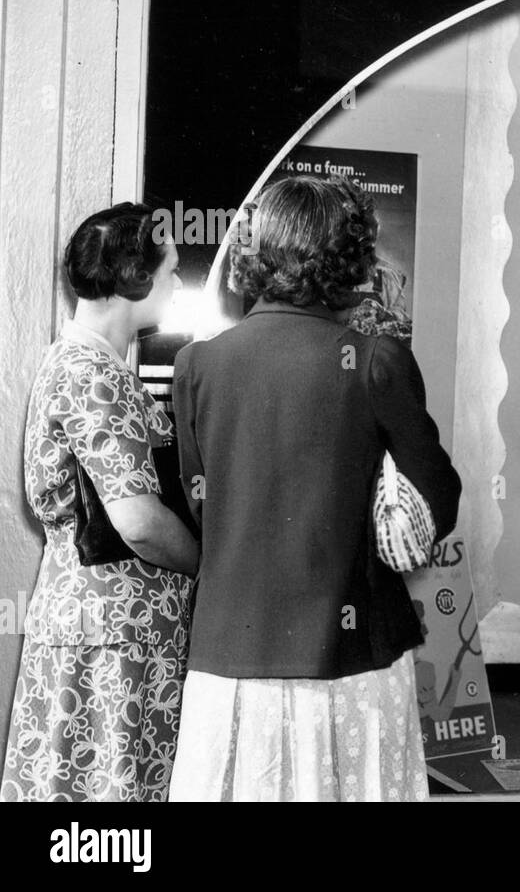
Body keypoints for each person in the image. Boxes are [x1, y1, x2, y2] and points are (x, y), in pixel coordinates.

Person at [168, 174, 462, 802]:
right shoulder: (376, 359)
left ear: (258, 252)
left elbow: (201, 506)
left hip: (229, 662)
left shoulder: (198, 365)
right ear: (350, 259)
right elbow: (437, 500)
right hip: (350, 661)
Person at [2, 203, 198, 801]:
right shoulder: (92, 373)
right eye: (169, 269)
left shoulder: (89, 364)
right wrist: (205, 567)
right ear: (134, 277)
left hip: (106, 629)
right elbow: (137, 520)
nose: (176, 281)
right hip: (113, 637)